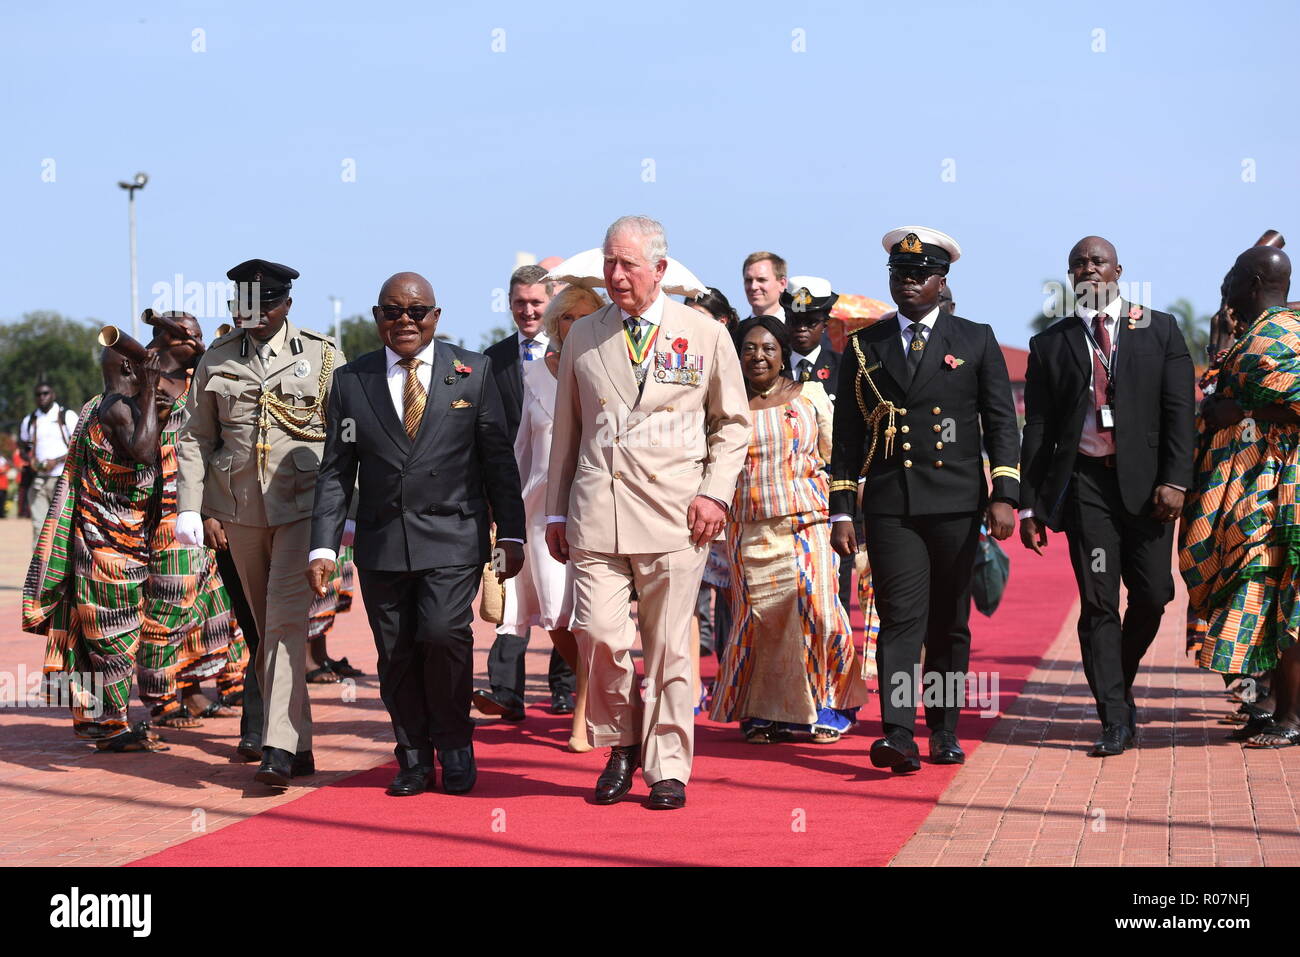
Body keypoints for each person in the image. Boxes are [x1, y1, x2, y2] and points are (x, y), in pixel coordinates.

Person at [546, 215, 750, 810]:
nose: (615, 275)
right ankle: (620, 743)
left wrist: (715, 492)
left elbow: (731, 424)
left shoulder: (705, 333)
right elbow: (568, 430)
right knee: (603, 640)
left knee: (667, 648)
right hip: (597, 511)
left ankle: (668, 766)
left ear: (659, 269)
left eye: (627, 265)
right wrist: (557, 512)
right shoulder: (584, 334)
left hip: (675, 514)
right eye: (610, 263)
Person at [309, 271, 525, 796]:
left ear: (435, 316)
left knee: (442, 634)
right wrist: (322, 545)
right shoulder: (351, 380)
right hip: (382, 544)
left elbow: (498, 460)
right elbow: (336, 471)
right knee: (397, 652)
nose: (403, 321)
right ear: (376, 317)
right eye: (391, 311)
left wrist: (512, 534)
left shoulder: (474, 372)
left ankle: (454, 744)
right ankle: (411, 754)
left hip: (454, 535)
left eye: (415, 311)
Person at [830, 226, 1020, 775]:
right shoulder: (867, 345)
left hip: (957, 503)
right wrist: (844, 507)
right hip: (892, 505)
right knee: (897, 619)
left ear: (942, 281)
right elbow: (848, 435)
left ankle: (942, 729)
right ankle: (896, 732)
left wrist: (1004, 493)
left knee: (948, 624)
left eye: (920, 275)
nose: (909, 283)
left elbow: (1001, 425)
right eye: (899, 274)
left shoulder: (974, 339)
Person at [24, 313, 243, 749]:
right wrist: (150, 395)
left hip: (128, 538)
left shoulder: (132, 401)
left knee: (118, 637)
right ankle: (112, 726)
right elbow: (144, 452)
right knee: (111, 638)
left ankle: (111, 722)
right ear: (128, 370)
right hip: (105, 543)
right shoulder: (114, 407)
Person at [1019, 236, 1194, 757]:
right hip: (1087, 487)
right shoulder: (1052, 344)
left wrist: (1176, 479)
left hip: (1149, 491)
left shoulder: (1158, 329)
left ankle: (1115, 671)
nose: (1088, 268)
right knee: (1099, 603)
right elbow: (1039, 429)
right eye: (1078, 263)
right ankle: (1115, 717)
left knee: (1154, 594)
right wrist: (1029, 502)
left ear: (1119, 269)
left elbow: (1180, 412)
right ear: (1070, 276)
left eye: (1097, 260)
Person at [175, 259, 342, 788]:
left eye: (264, 307)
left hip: (300, 509)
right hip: (239, 512)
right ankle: (303, 745)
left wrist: (343, 519)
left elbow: (345, 441)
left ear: (286, 305)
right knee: (268, 629)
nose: (253, 317)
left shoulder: (321, 356)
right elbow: (196, 437)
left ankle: (276, 748)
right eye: (242, 308)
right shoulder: (217, 359)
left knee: (285, 623)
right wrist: (192, 507)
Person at [710, 316, 868, 742]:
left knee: (820, 610)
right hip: (748, 528)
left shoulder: (809, 396)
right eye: (748, 348)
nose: (758, 356)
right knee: (760, 620)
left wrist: (847, 515)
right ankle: (765, 710)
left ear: (783, 355)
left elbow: (841, 459)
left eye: (768, 349)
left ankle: (834, 703)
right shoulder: (724, 405)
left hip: (809, 521)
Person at [1182, 247, 1300, 748]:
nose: (1223, 284)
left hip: (1280, 490)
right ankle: (1268, 703)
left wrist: (1242, 407)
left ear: (1251, 281)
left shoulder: (1283, 334)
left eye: (1230, 276)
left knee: (1282, 596)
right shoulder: (1251, 334)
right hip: (1244, 487)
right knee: (1255, 593)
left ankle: (1292, 717)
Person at [505, 283, 607, 751]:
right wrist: (503, 506)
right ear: (556, 323)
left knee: (589, 616)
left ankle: (586, 708)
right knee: (555, 616)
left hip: (593, 507)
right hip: (541, 511)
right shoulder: (532, 375)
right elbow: (523, 446)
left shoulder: (606, 373)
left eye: (586, 317)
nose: (574, 326)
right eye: (567, 318)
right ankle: (603, 693)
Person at [479, 264, 577, 720]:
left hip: (563, 497)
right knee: (510, 589)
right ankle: (505, 691)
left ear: (551, 303)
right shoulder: (491, 360)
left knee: (561, 592)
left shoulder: (574, 354)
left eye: (536, 302)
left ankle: (565, 687)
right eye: (519, 302)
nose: (527, 310)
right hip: (511, 492)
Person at [19, 381, 79, 546]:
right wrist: (30, 460)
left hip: (63, 478)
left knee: (64, 525)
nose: (42, 397)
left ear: (53, 394)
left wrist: (57, 461)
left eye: (45, 393)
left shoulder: (66, 416)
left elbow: (79, 445)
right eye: (38, 395)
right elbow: (23, 446)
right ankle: (40, 569)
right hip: (38, 480)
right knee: (39, 527)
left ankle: (65, 568)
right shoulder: (30, 419)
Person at [780, 276, 841, 400]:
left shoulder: (842, 367)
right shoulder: (773, 367)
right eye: (794, 321)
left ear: (825, 324)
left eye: (810, 322)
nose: (801, 328)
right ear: (786, 321)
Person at [742, 251, 788, 320]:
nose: (753, 287)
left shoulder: (800, 328)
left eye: (761, 280)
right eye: (749, 280)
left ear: (782, 284)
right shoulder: (737, 330)